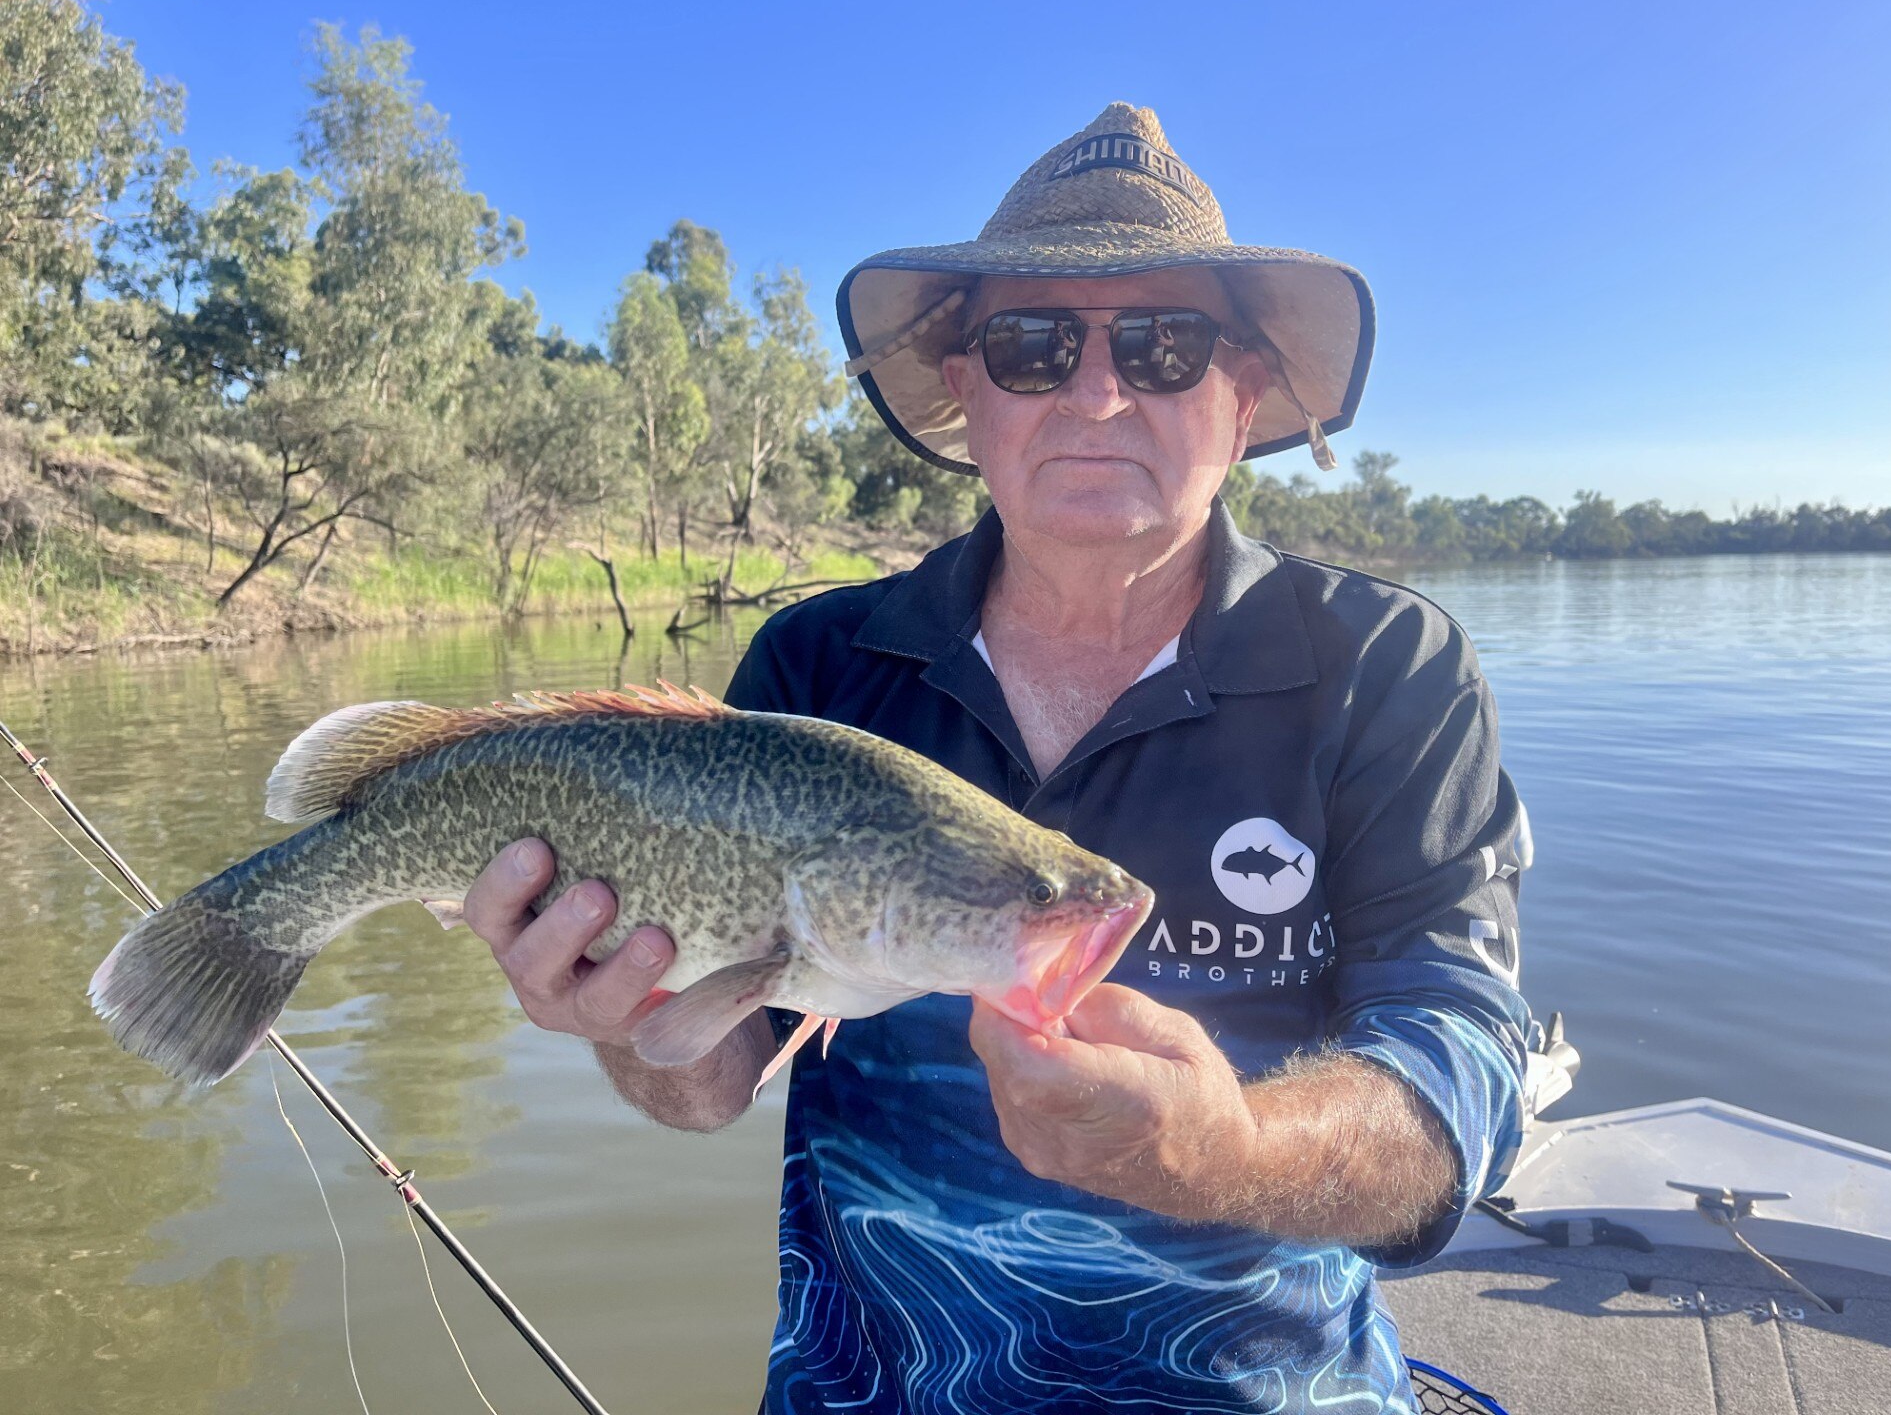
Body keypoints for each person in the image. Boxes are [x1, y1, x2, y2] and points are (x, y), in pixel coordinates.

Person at [462, 103, 1532, 1414]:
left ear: (1242, 392)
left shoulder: (1389, 670)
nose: (1097, 391)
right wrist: (617, 1015)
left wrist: (1228, 1151)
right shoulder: (818, 672)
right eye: (1034, 346)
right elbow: (707, 1084)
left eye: (1163, 343)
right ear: (966, 389)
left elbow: (1460, 1073)